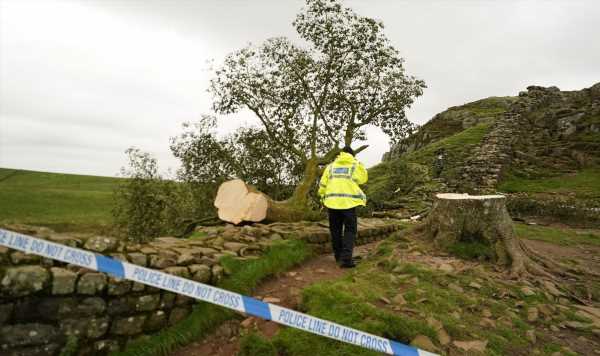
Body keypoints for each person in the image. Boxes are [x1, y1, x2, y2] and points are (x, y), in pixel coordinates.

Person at [318, 146, 368, 268]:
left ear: (340, 154)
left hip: (332, 203)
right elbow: (363, 179)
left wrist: (322, 198)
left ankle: (338, 256)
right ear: (352, 155)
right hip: (348, 204)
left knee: (335, 230)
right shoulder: (354, 165)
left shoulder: (330, 167)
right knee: (350, 230)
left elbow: (322, 185)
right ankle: (346, 259)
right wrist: (359, 163)